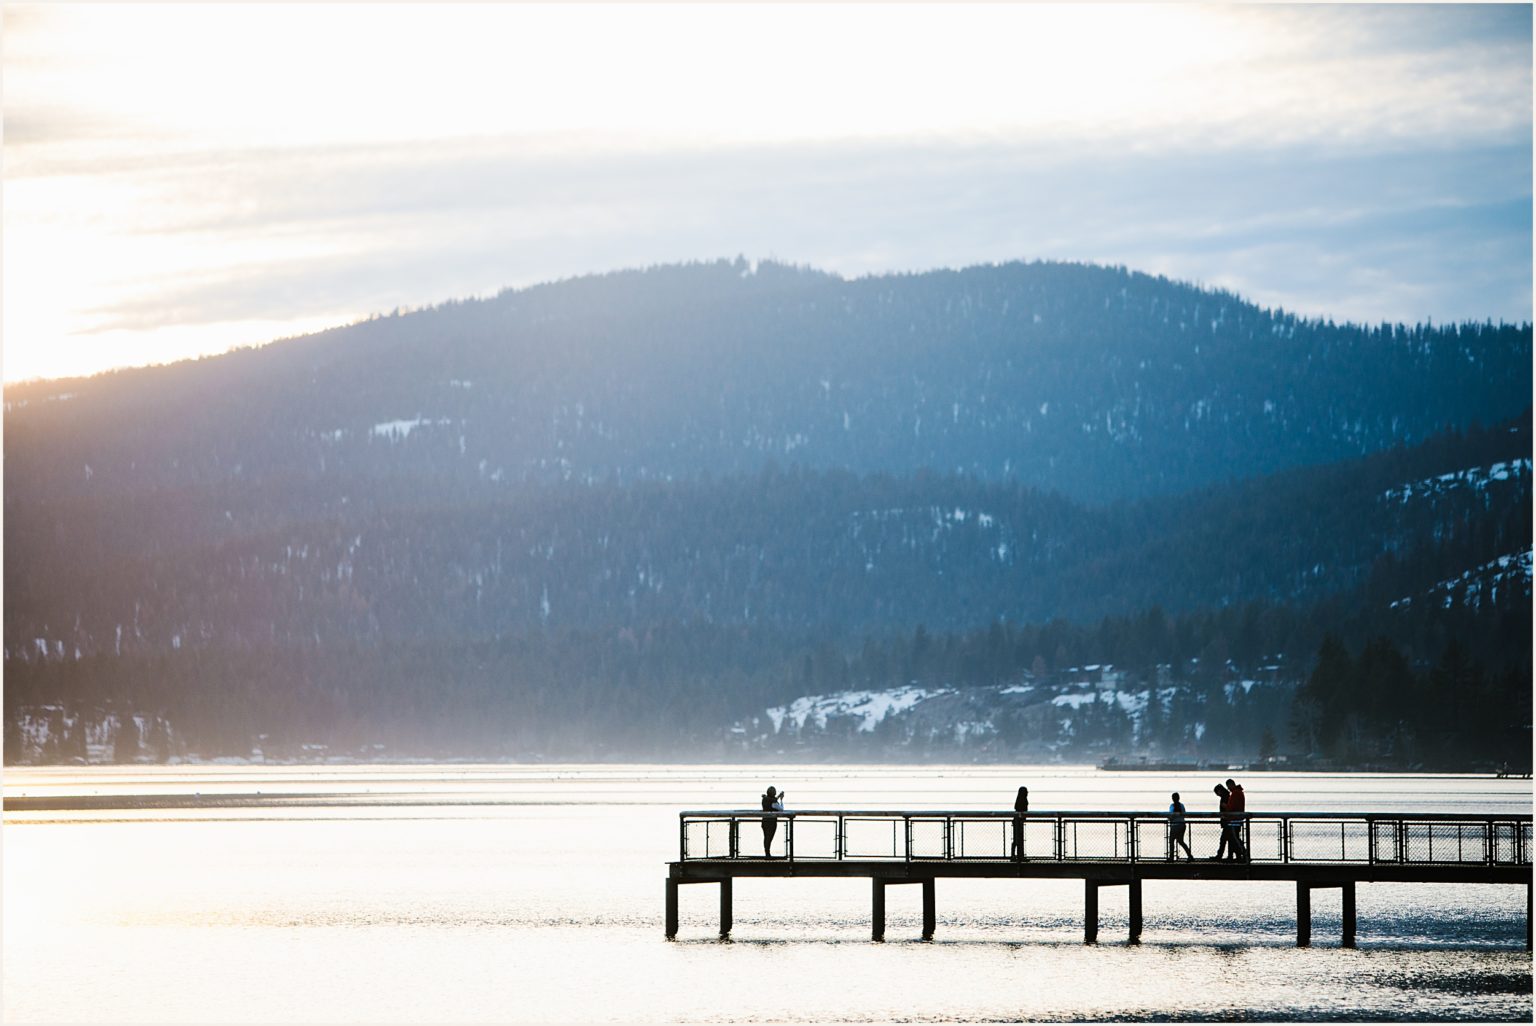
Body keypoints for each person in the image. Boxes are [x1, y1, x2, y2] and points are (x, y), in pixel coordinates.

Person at [1224, 778, 1249, 862]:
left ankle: (1243, 854)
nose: (1228, 789)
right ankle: (1238, 856)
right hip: (1238, 818)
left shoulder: (1235, 793)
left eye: (1228, 786)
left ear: (1231, 784)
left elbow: (1232, 807)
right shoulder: (1239, 792)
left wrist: (1225, 806)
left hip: (1234, 819)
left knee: (1235, 838)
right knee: (1234, 837)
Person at [760, 785, 785, 857]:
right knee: (769, 838)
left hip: (764, 820)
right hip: (771, 822)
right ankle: (768, 854)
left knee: (766, 837)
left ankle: (767, 853)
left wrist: (778, 797)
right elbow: (781, 809)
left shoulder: (765, 799)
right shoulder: (774, 802)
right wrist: (781, 800)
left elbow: (772, 800)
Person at [1167, 791, 1193, 860]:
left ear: (1172, 799)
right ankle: (1190, 855)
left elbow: (1171, 815)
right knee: (1181, 841)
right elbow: (1184, 814)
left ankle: (1171, 857)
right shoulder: (1182, 805)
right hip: (1182, 825)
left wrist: (1169, 818)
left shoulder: (1172, 806)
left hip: (1175, 825)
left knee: (1171, 841)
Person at [1211, 783, 1231, 860]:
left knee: (1224, 839)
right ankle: (1230, 856)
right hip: (1227, 821)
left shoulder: (1225, 797)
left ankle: (1220, 856)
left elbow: (1226, 808)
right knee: (1230, 839)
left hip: (1227, 821)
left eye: (1216, 793)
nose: (1216, 794)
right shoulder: (1227, 796)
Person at [1011, 786, 1029, 860]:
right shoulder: (1023, 800)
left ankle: (1015, 856)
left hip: (1017, 821)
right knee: (1018, 839)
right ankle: (1020, 856)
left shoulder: (1019, 799)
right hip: (1019, 821)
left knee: (1017, 839)